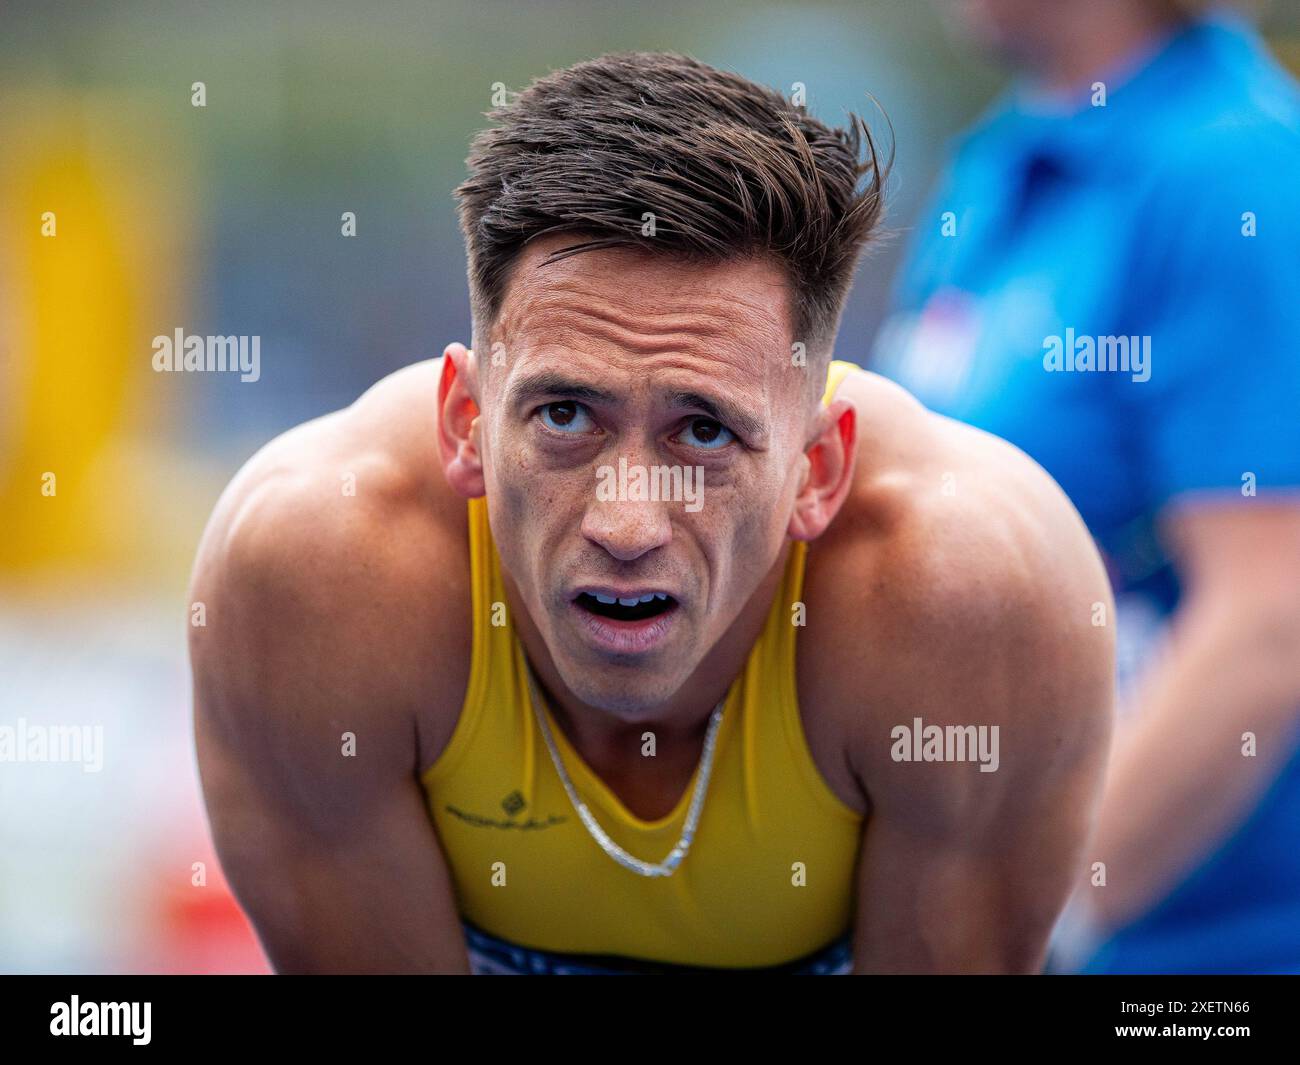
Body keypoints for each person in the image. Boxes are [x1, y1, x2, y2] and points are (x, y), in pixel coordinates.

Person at [189, 51, 1113, 974]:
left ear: (817, 468)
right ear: (465, 424)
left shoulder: (969, 598)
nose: (625, 527)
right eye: (565, 417)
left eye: (703, 433)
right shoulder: (319, 573)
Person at [873, 2, 1300, 972]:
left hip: (1197, 962)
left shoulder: (1239, 174)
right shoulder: (997, 167)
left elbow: (1270, 622)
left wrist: (1018, 924)